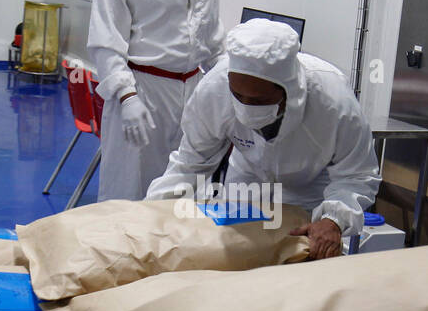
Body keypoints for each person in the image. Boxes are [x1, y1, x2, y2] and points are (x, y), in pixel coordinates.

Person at [146, 19, 381, 260]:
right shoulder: (214, 91)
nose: (246, 108)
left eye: (258, 101)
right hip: (247, 177)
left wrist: (334, 220)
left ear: (288, 89)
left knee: (298, 261)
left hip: (309, 188)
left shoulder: (333, 103)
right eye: (238, 96)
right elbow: (190, 162)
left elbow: (358, 175)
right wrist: (153, 210)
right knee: (236, 254)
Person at [87, 0, 224, 201]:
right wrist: (126, 96)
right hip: (142, 90)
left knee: (185, 187)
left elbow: (210, 31)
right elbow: (106, 39)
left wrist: (225, 80)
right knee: (131, 187)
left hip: (194, 88)